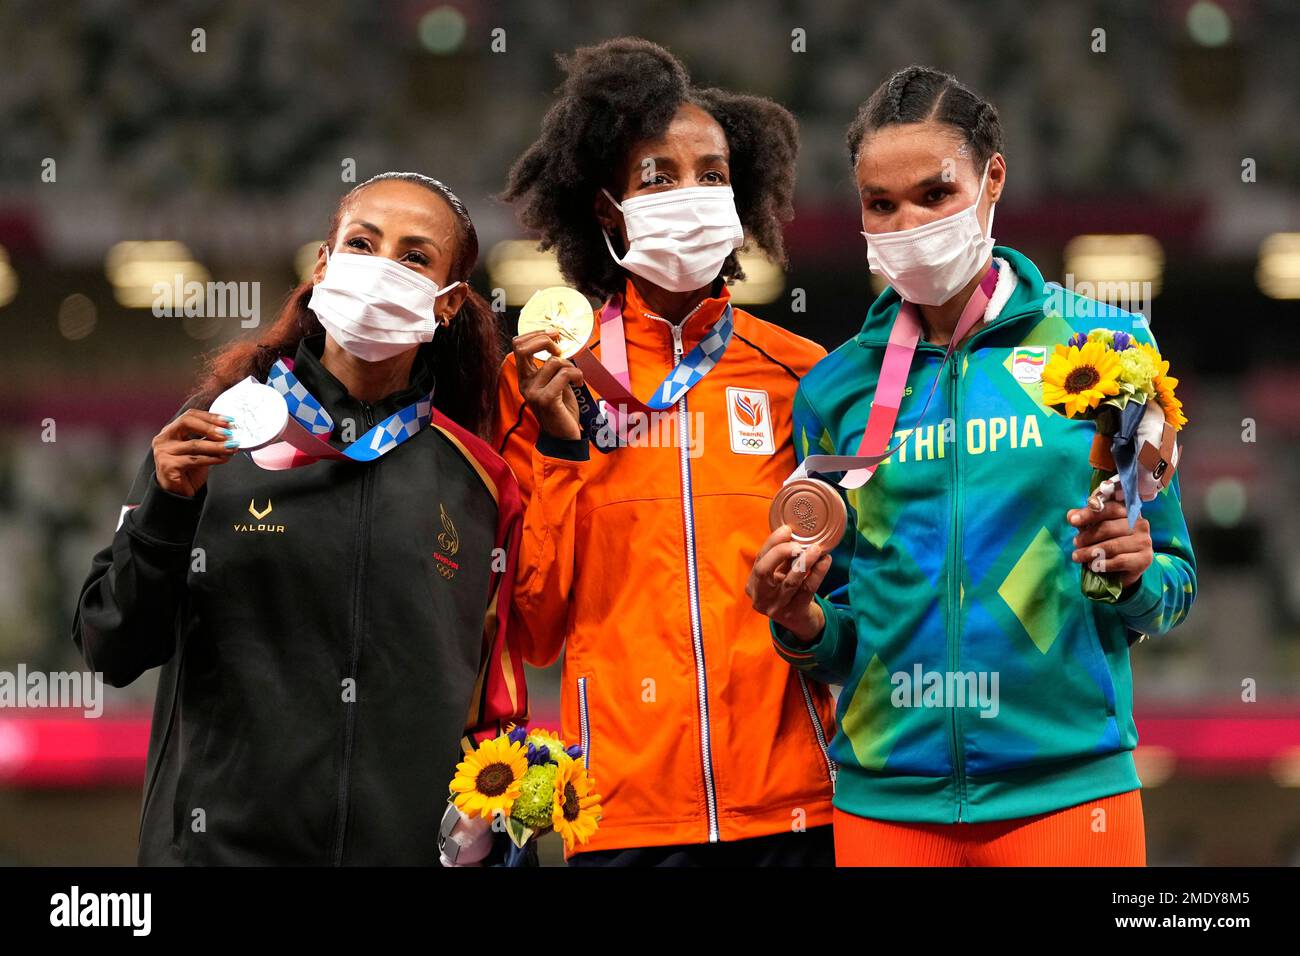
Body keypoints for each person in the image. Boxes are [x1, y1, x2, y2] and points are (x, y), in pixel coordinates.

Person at [748, 66, 1196, 867]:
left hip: (1068, 792)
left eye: (934, 193)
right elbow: (845, 629)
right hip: (887, 803)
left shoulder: (1108, 351)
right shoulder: (835, 388)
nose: (906, 221)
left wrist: (1136, 578)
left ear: (993, 178)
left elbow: (1171, 586)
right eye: (880, 204)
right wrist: (800, 622)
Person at [73, 172, 527, 865]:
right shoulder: (216, 434)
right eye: (362, 243)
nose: (381, 268)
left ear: (448, 304)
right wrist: (167, 510)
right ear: (324, 264)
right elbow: (112, 645)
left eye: (414, 257)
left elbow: (485, 700)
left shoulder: (478, 482)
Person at [495, 37, 836, 865]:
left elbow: (853, 592)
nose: (692, 195)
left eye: (712, 174)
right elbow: (535, 631)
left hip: (793, 806)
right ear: (609, 208)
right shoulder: (546, 376)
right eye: (658, 176)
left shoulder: (801, 375)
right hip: (621, 815)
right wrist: (561, 446)